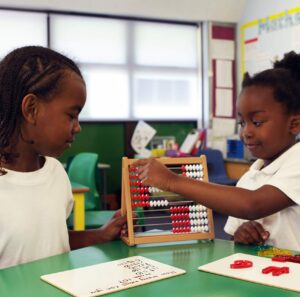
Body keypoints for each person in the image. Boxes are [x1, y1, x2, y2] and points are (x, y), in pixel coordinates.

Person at [133, 51, 300, 251]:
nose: (246, 132)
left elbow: (253, 205)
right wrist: (242, 235)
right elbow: (235, 234)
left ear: (294, 124)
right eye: (242, 122)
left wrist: (173, 181)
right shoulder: (250, 177)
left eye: (256, 122)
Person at [0, 46, 126, 269]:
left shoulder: (55, 172)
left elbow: (51, 241)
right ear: (31, 109)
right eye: (72, 115)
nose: (77, 128)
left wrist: (100, 235)